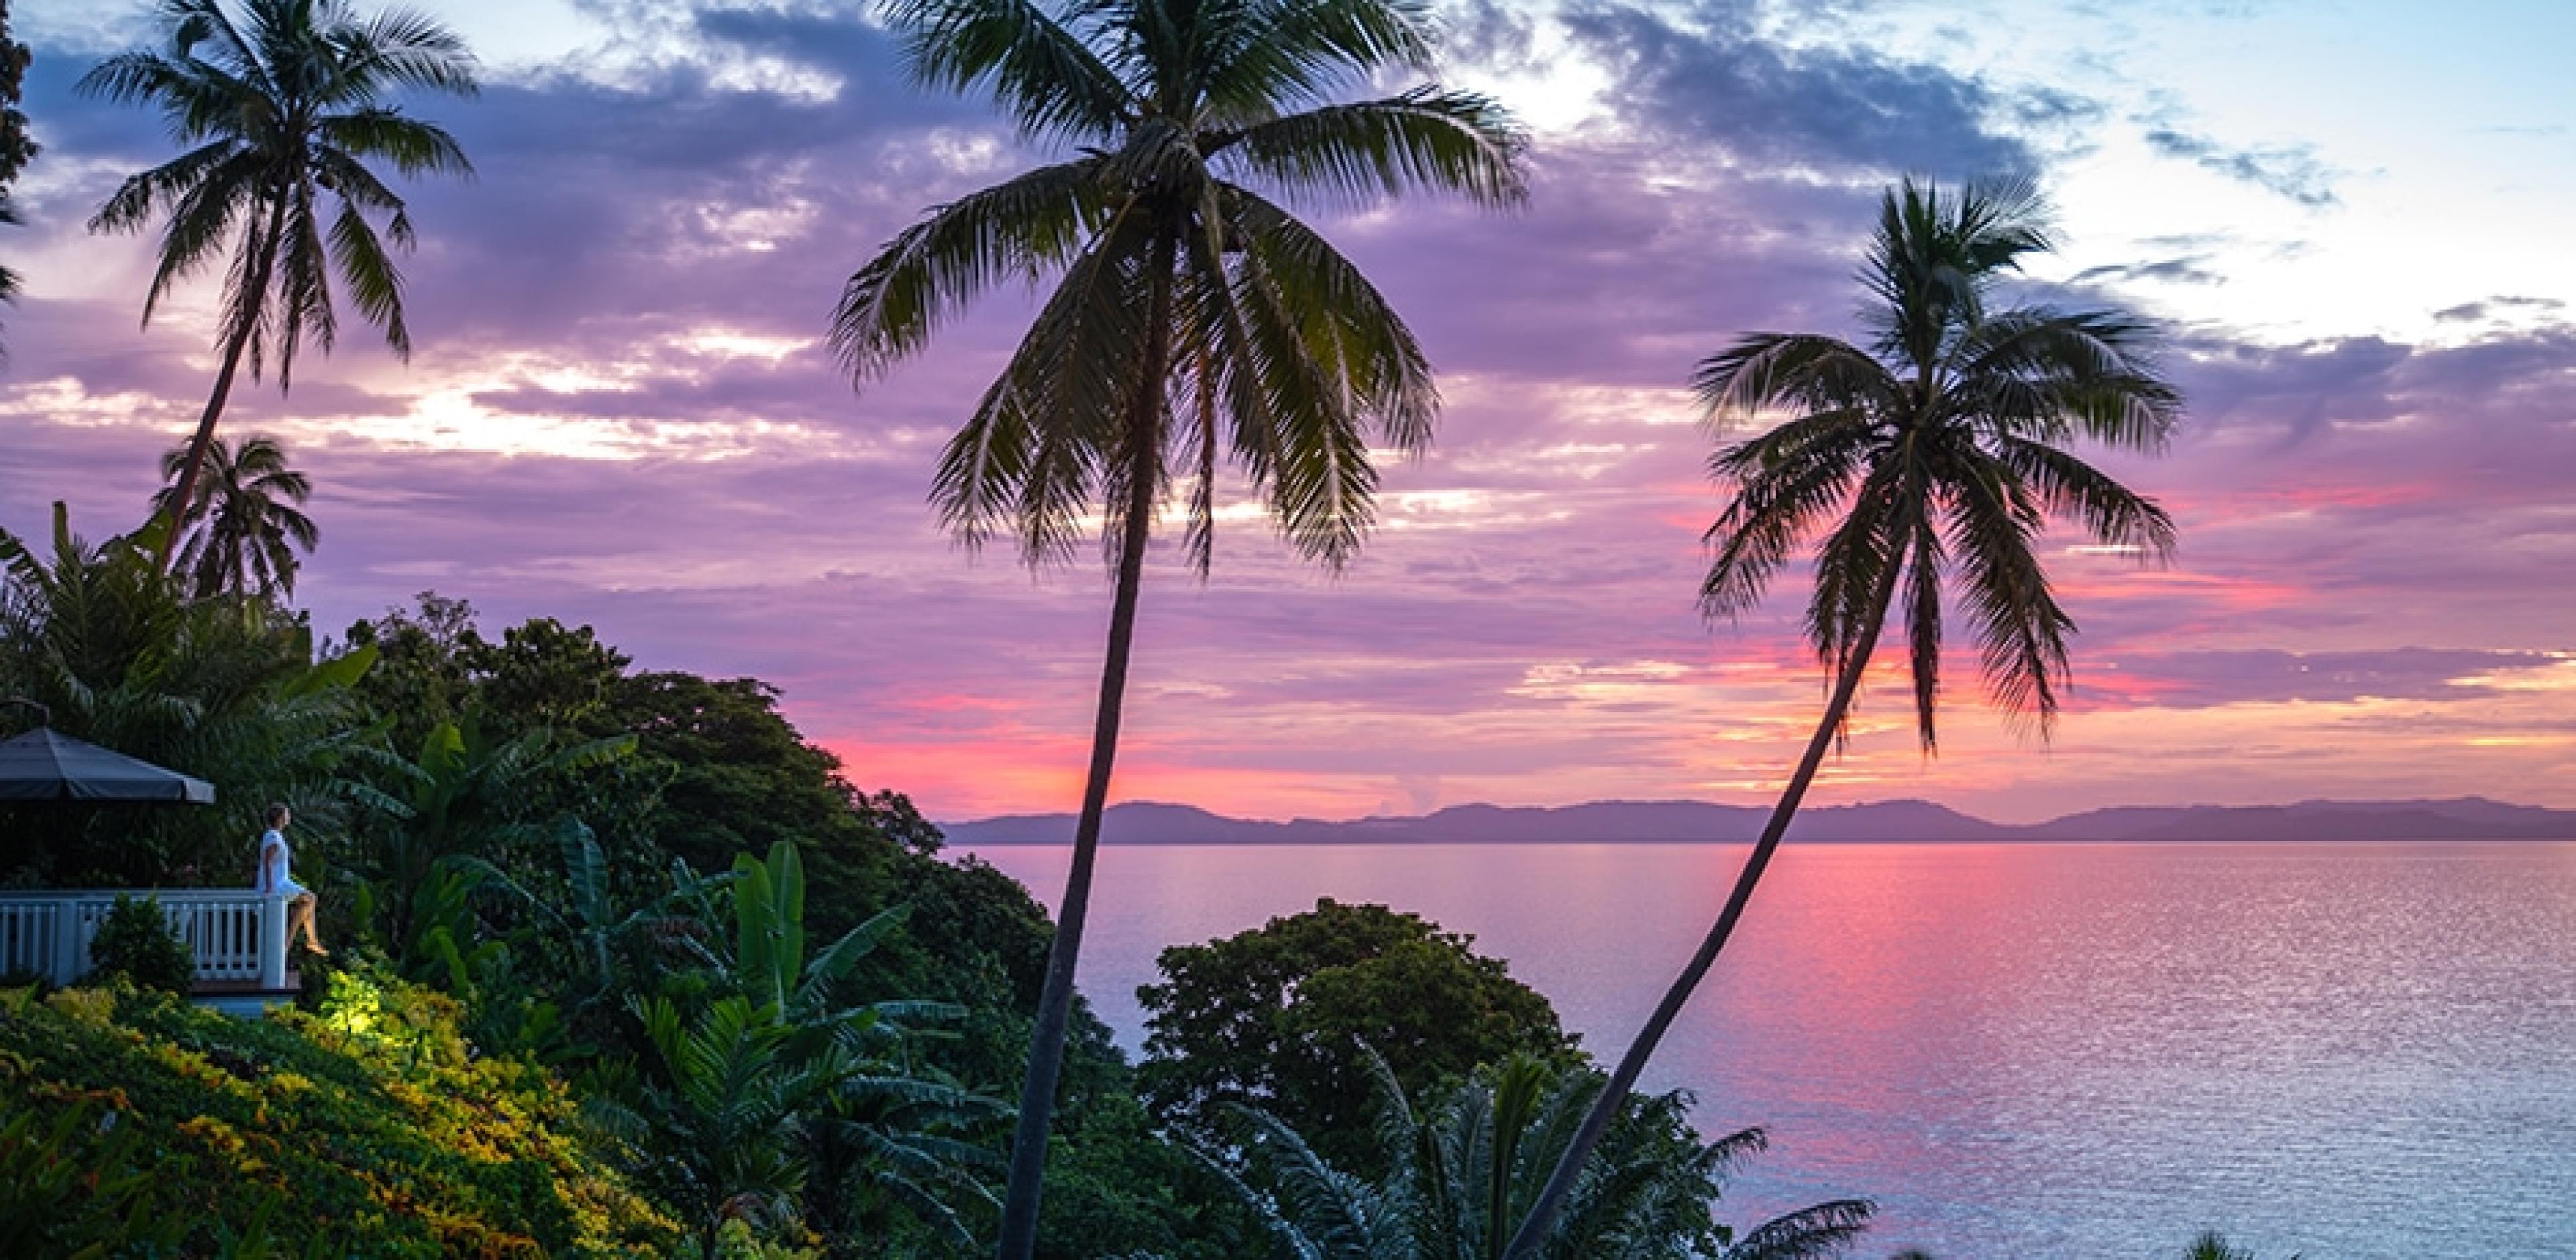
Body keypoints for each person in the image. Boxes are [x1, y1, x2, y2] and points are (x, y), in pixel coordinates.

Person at [256, 803, 326, 957]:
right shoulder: (273, 836)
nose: (289, 817)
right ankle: (301, 941)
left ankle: (298, 942)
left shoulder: (277, 836)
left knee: (308, 901)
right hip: (276, 884)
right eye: (287, 814)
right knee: (310, 898)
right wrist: (269, 887)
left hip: (281, 881)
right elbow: (267, 861)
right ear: (281, 817)